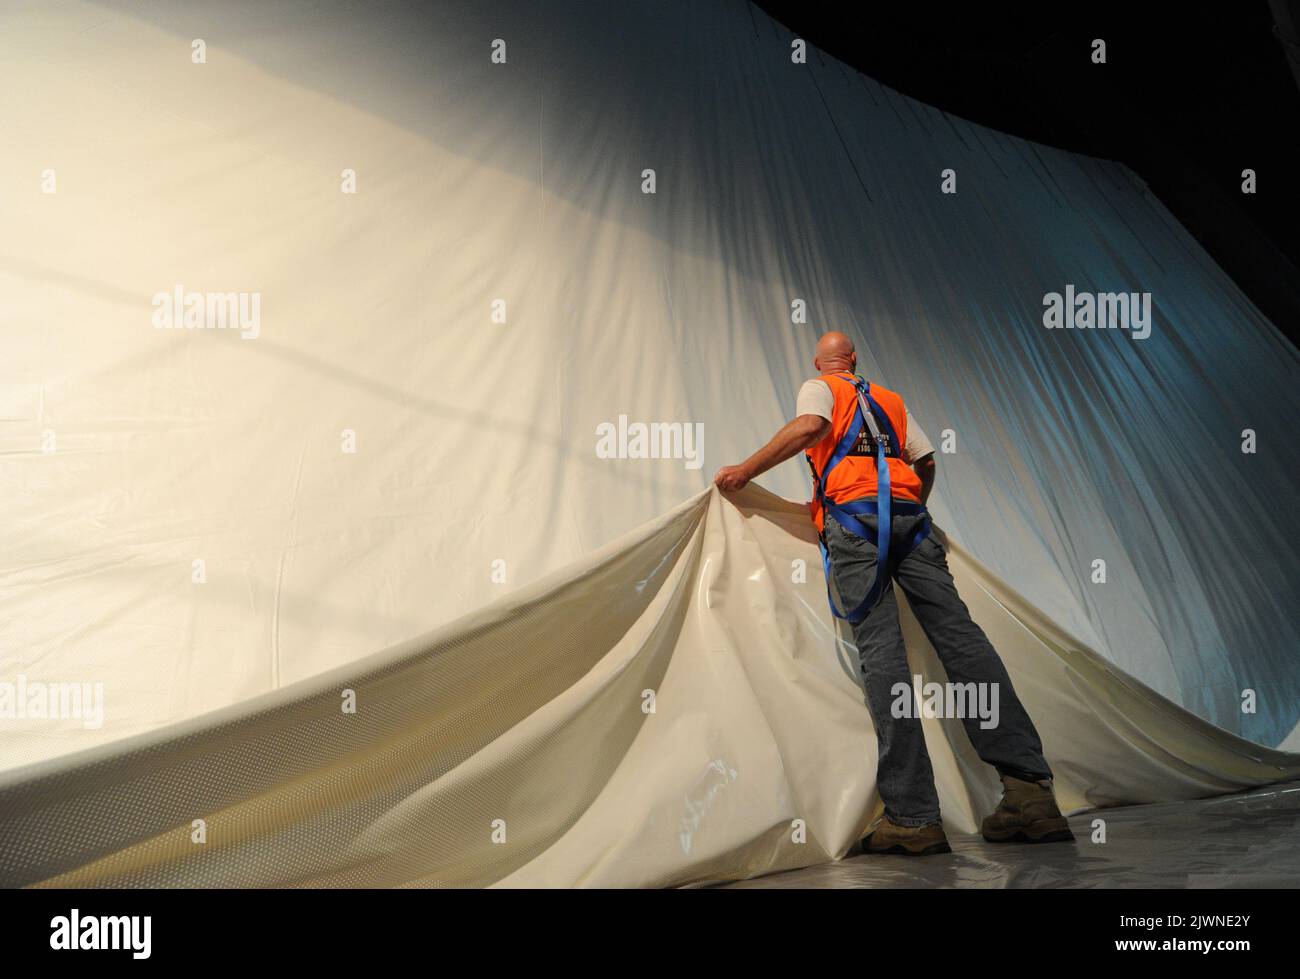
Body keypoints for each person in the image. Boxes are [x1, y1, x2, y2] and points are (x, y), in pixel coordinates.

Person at [713, 331, 1072, 855]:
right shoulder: (891, 400)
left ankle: (914, 818)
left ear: (822, 362)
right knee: (963, 640)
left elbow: (811, 427)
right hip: (912, 523)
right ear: (855, 359)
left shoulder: (819, 388)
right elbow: (924, 461)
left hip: (855, 525)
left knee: (883, 653)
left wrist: (746, 470)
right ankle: (1029, 794)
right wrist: (908, 508)